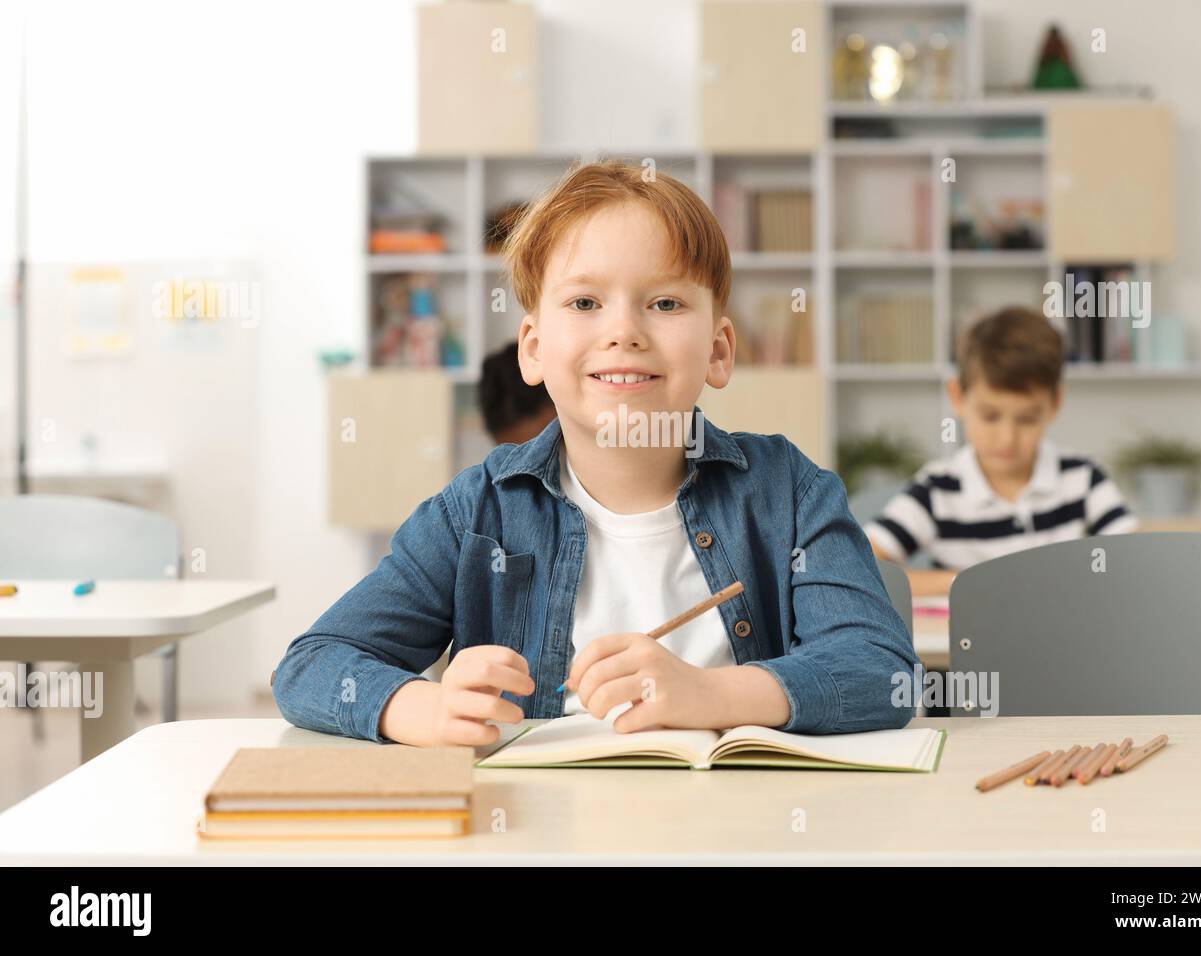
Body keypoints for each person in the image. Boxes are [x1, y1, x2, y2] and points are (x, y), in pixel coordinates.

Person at [273, 159, 917, 746]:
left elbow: (882, 671)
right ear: (532, 348)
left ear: (718, 350)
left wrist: (711, 694)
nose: (624, 332)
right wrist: (424, 707)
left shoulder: (790, 490)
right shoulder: (475, 512)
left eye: (664, 303)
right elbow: (312, 664)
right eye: (585, 302)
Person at [866, 306, 1139, 599]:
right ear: (957, 397)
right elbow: (860, 565)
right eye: (990, 416)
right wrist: (966, 583)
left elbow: (1135, 563)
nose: (1007, 438)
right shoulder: (937, 489)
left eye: (1027, 419)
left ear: (1055, 402)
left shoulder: (1082, 478)